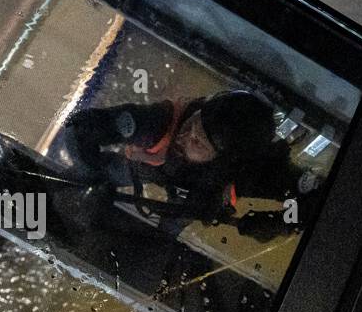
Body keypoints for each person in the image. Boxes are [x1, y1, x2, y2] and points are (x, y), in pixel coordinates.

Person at [59, 89, 323, 242]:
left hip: (188, 207)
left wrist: (281, 224)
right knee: (106, 174)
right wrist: (90, 169)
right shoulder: (158, 125)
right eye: (191, 123)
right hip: (144, 172)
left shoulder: (252, 171)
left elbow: (315, 199)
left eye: (198, 142)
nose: (185, 136)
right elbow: (80, 128)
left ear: (225, 159)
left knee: (160, 240)